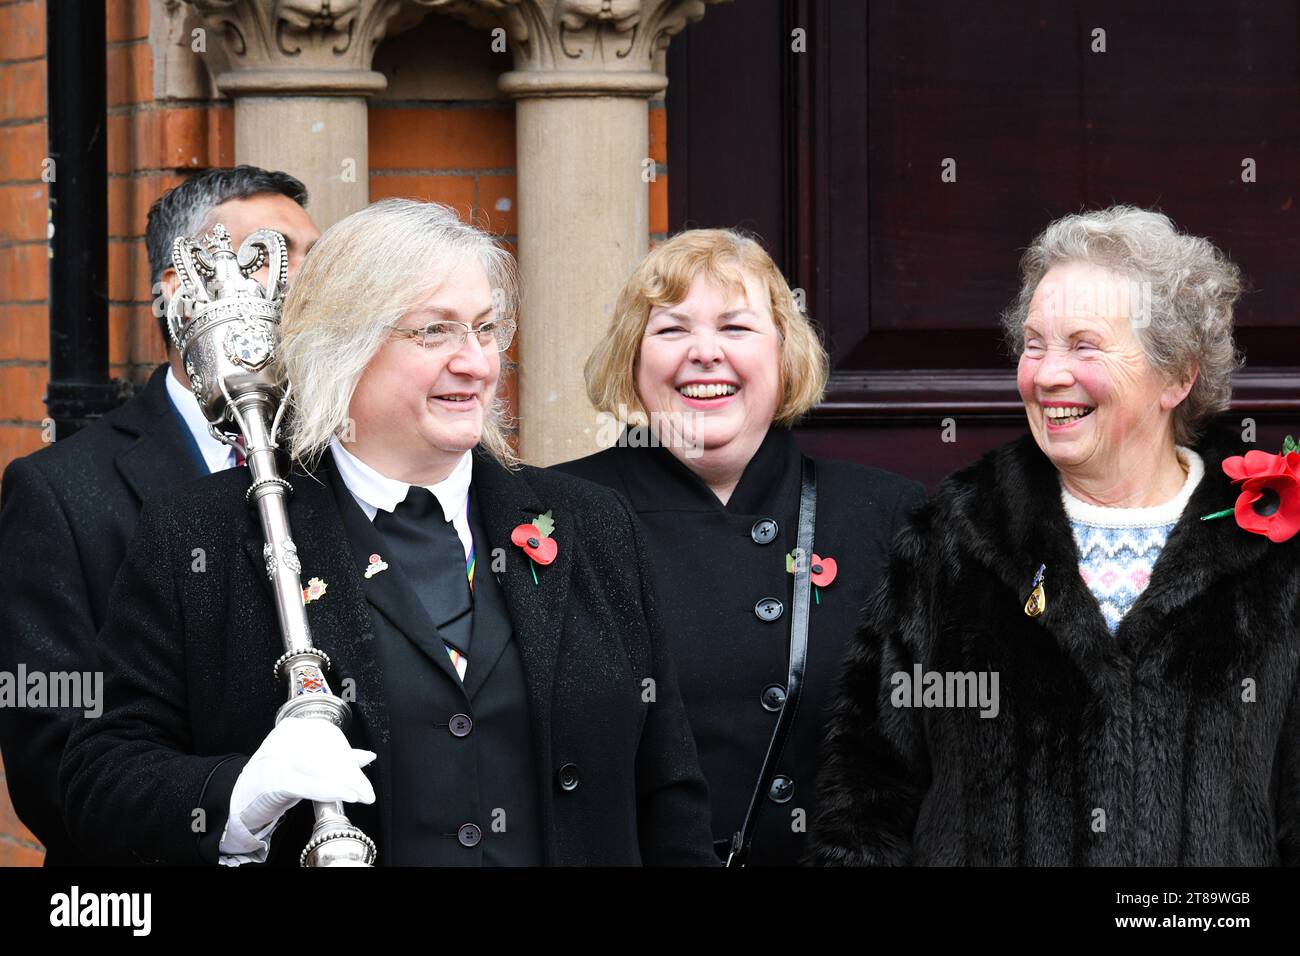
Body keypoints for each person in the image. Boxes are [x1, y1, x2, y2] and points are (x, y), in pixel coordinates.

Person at [59, 198, 716, 867]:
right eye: (434, 332)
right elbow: (99, 781)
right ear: (341, 346)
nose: (476, 362)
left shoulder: (591, 525)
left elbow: (670, 796)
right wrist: (244, 794)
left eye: (486, 329)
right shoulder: (206, 534)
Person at [813, 205, 1300, 866]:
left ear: (1178, 375)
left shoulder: (1270, 552)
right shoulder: (959, 536)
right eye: (1035, 343)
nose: (1045, 375)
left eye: (1084, 344)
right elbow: (868, 800)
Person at [555, 229, 925, 865]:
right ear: (632, 359)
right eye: (671, 330)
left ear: (785, 355)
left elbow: (942, 753)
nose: (705, 354)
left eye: (737, 328)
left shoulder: (889, 517)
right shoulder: (551, 514)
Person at [0, 166, 320, 866]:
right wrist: (238, 809)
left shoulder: (332, 466)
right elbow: (53, 756)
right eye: (278, 257)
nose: (306, 287)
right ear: (186, 292)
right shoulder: (60, 492)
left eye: (312, 261)